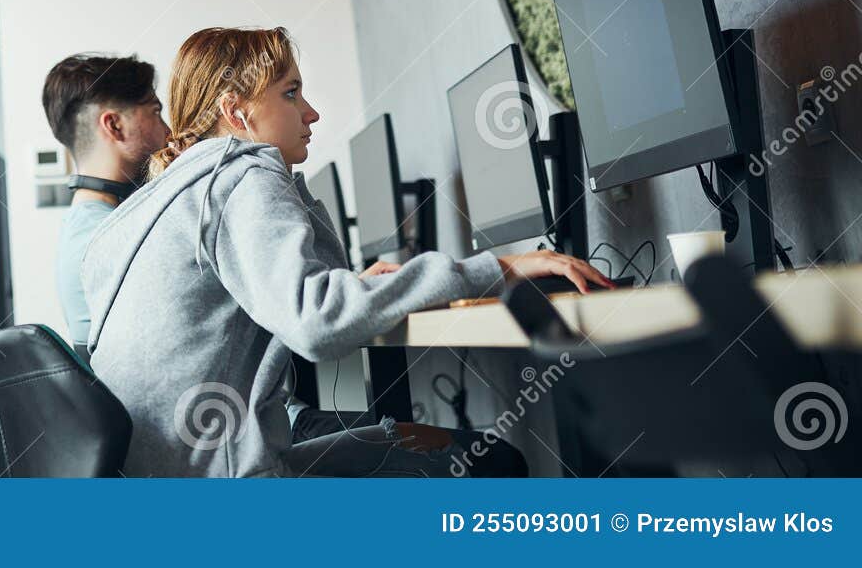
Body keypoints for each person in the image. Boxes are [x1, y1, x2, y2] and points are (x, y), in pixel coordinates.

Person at [82, 26, 611, 477]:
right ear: (234, 112)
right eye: (290, 94)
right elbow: (319, 323)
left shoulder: (143, 207)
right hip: (229, 485)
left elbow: (303, 297)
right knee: (491, 463)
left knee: (429, 446)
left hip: (166, 484)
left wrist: (357, 285)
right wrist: (496, 269)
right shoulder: (240, 173)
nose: (311, 112)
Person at [42, 54, 171, 350]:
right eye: (155, 112)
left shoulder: (89, 222)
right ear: (114, 126)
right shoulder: (105, 236)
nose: (168, 131)